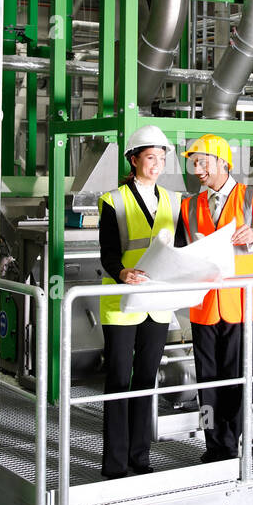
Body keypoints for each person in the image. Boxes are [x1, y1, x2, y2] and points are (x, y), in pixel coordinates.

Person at [176, 134, 253, 464]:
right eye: (194, 162)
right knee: (206, 382)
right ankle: (214, 444)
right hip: (205, 304)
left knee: (238, 379)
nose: (197, 168)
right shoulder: (189, 205)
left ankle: (231, 442)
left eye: (203, 161)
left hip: (242, 304)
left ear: (223, 162)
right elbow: (184, 252)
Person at [97, 125, 181, 479]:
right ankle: (115, 465)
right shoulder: (113, 200)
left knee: (146, 378)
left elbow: (180, 248)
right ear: (134, 160)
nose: (157, 164)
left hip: (158, 303)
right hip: (121, 301)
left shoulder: (174, 200)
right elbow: (108, 252)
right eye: (151, 158)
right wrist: (121, 272)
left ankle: (139, 458)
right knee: (118, 380)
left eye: (161, 158)